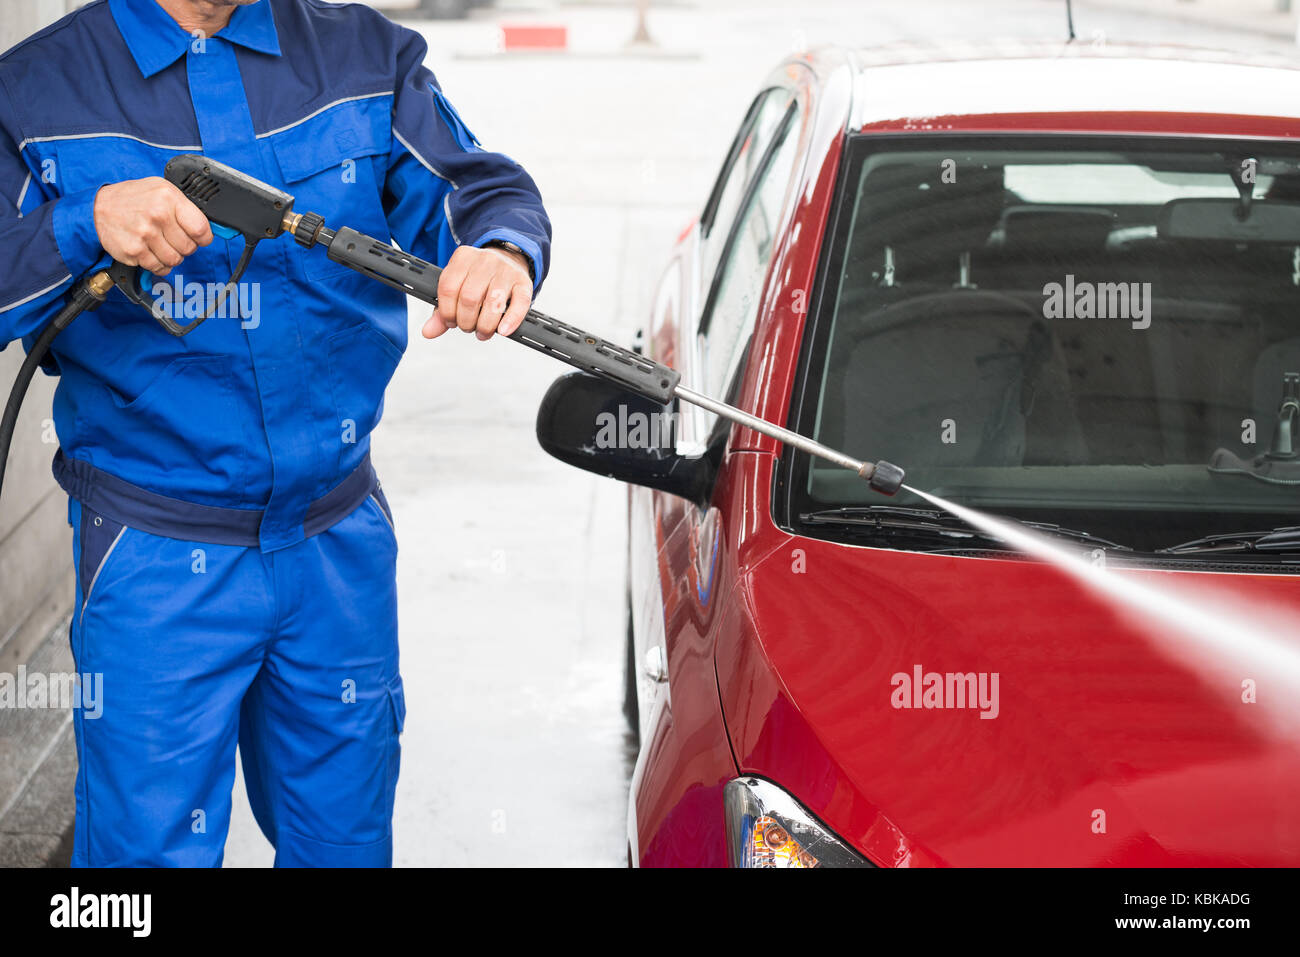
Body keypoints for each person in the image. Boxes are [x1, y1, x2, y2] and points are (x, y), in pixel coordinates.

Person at [0, 0, 551, 867]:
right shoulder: (37, 89)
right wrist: (85, 222)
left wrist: (499, 249)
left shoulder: (364, 54)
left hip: (338, 545)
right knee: (141, 868)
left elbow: (478, 189)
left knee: (346, 844)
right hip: (153, 559)